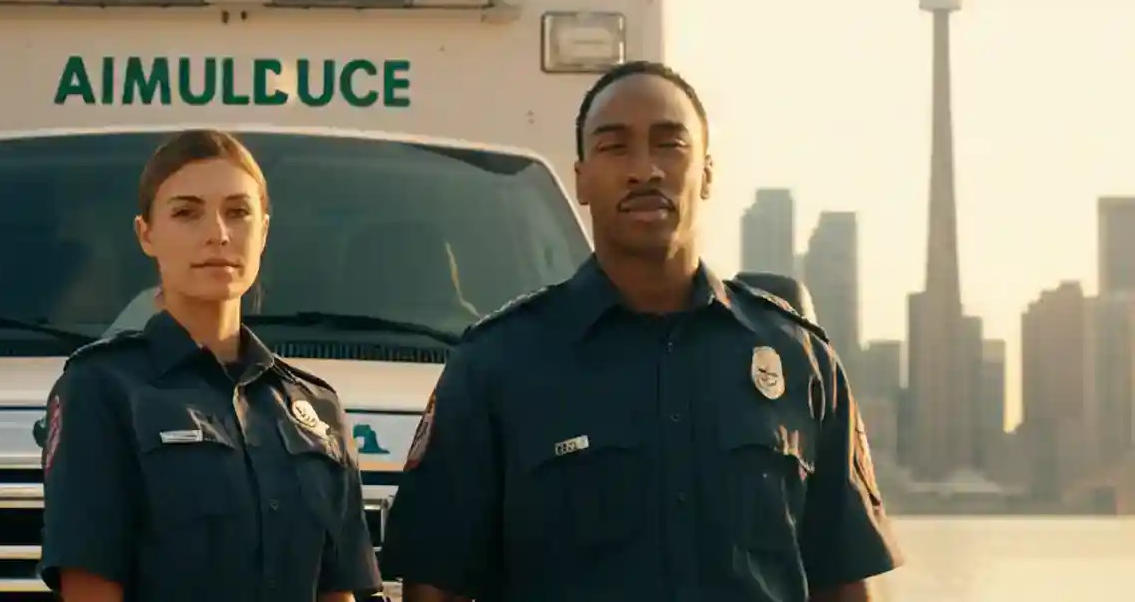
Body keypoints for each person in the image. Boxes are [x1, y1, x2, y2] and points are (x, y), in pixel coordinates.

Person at [379, 61, 904, 601]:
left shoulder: (801, 362)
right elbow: (435, 587)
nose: (644, 170)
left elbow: (843, 583)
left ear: (707, 173)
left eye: (669, 145)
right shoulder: (497, 366)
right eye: (614, 147)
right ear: (582, 178)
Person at [37, 129, 382, 602]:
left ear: (263, 230)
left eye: (238, 212)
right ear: (147, 234)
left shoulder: (317, 408)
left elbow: (338, 591)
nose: (217, 233)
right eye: (186, 212)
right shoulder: (102, 389)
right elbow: (90, 586)